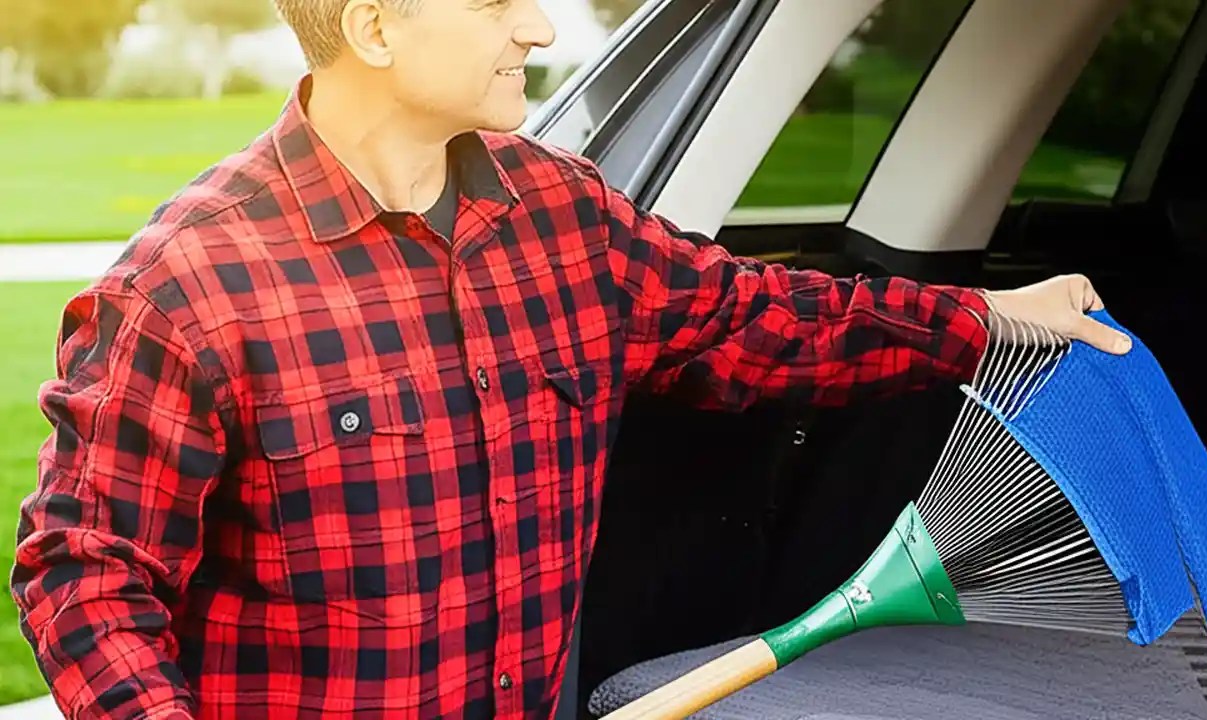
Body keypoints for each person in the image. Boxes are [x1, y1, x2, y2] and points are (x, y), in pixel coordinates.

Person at [9, 1, 1133, 718]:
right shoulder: (187, 287)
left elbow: (757, 318)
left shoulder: (565, 218)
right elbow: (85, 576)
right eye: (496, 2)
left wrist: (987, 318)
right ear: (374, 28)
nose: (540, 29)